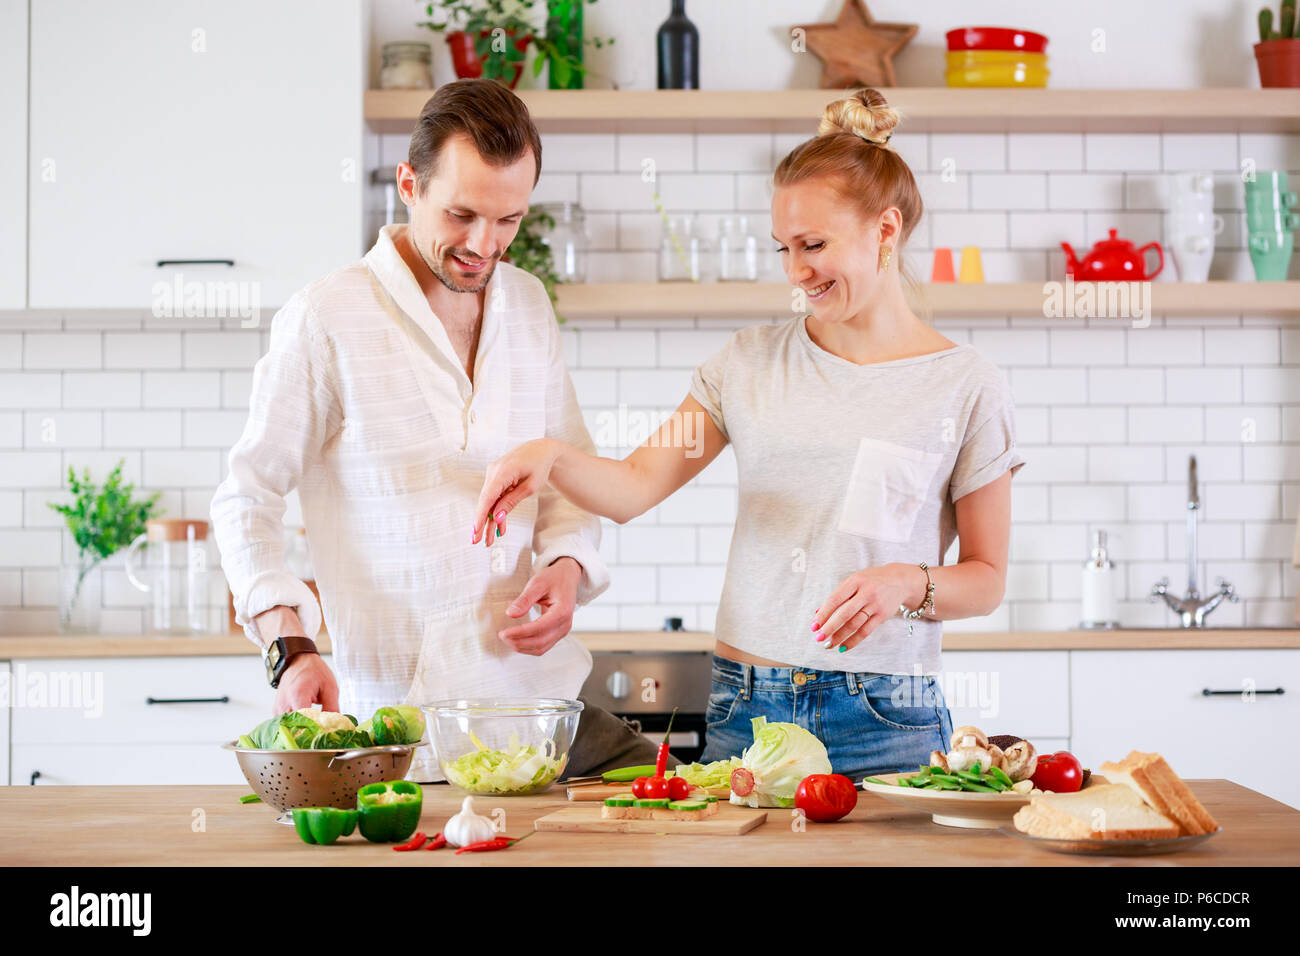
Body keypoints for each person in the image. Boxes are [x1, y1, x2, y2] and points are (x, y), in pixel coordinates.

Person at [470, 88, 1026, 780]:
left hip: (885, 716)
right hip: (748, 708)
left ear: (887, 230)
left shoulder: (966, 385)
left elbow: (987, 578)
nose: (797, 271)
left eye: (814, 245)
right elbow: (635, 486)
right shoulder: (749, 364)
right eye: (785, 248)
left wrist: (906, 583)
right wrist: (548, 457)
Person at [210, 79, 667, 780]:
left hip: (543, 715)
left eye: (509, 220)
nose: (485, 246)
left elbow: (567, 476)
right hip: (403, 737)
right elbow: (247, 498)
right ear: (408, 185)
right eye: (462, 214)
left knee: (696, 820)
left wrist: (568, 566)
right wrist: (291, 648)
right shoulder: (326, 318)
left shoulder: (527, 303)